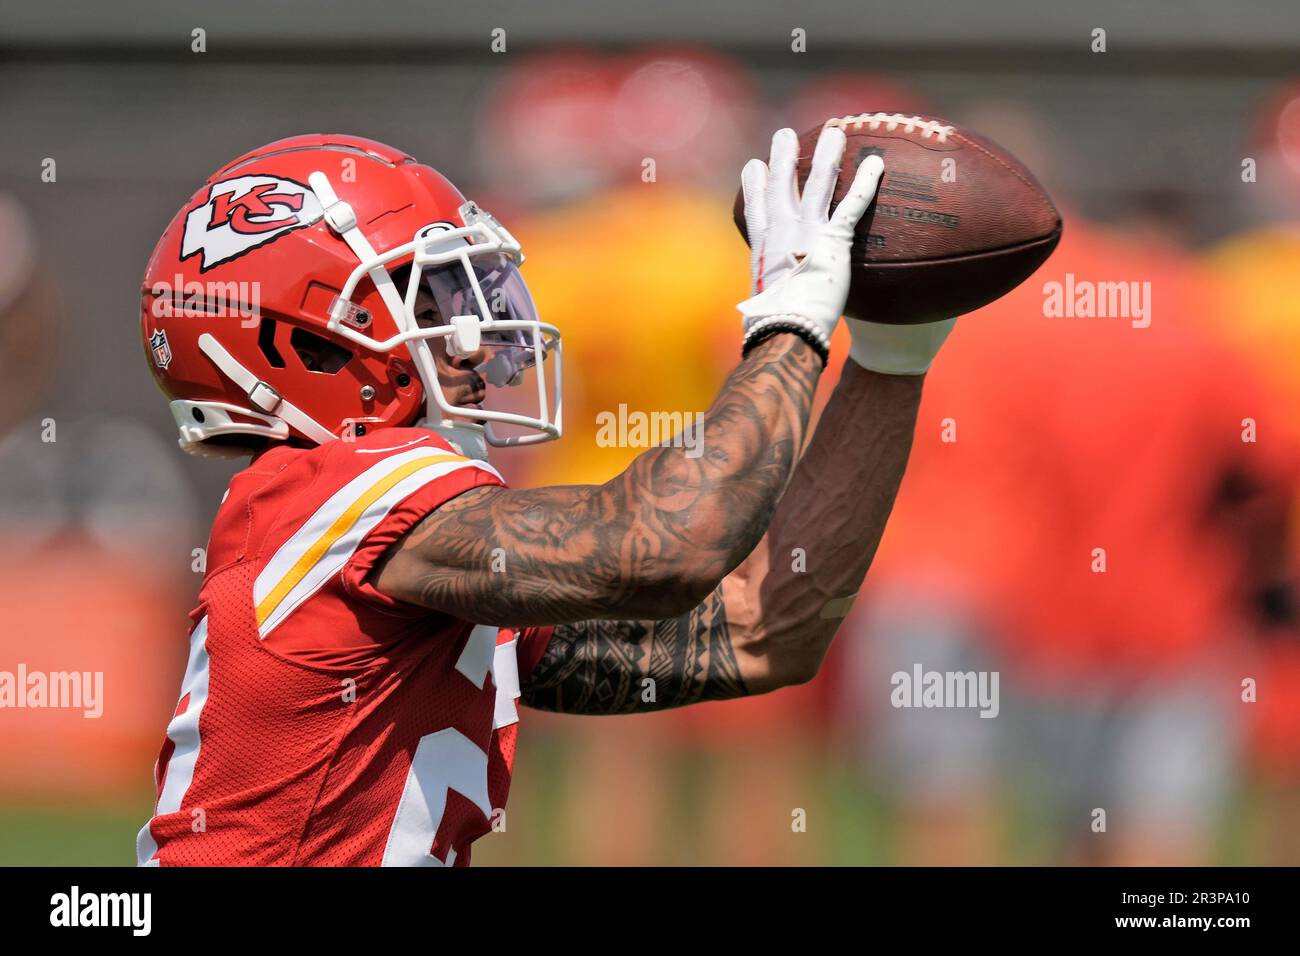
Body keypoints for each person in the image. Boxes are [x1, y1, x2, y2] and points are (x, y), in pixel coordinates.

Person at [134, 130, 956, 866]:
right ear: (302, 341)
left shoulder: (367, 535)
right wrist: (791, 322)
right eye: (425, 301)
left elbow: (761, 630)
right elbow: (672, 548)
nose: (473, 336)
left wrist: (891, 362)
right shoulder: (337, 489)